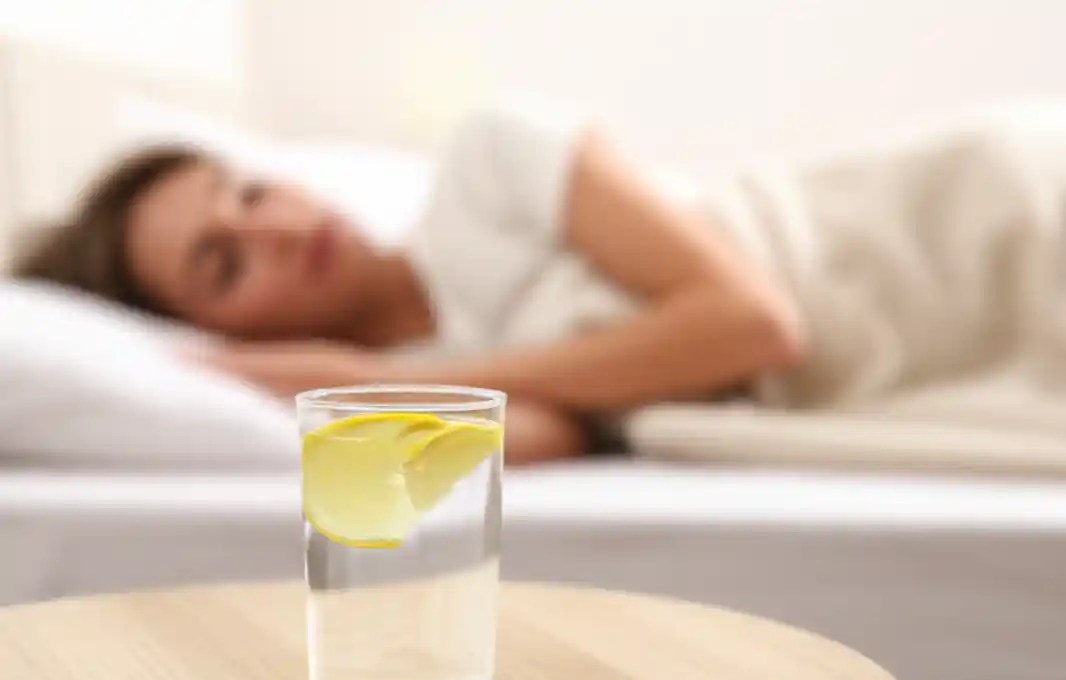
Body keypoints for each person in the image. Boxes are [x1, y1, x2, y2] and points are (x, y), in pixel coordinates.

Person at [12, 107, 808, 463]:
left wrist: (379, 380)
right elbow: (560, 435)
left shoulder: (487, 162)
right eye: (226, 264)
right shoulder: (421, 386)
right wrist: (374, 389)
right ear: (223, 335)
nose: (280, 230)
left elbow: (754, 324)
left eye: (252, 192)